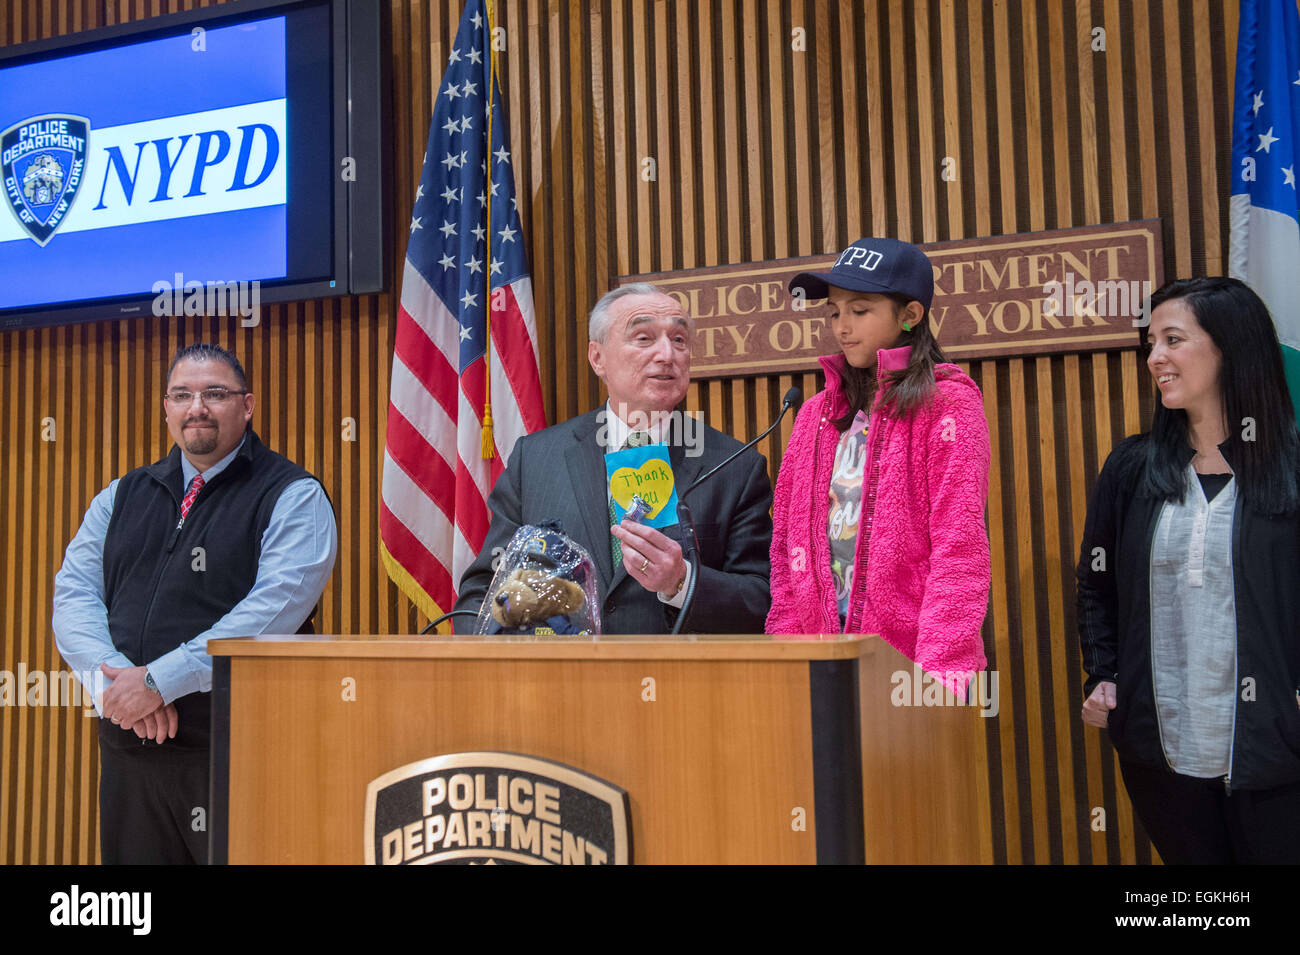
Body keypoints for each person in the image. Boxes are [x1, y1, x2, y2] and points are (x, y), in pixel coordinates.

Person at [52, 343, 337, 864]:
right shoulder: (120, 494)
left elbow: (273, 612)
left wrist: (159, 681)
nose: (196, 407)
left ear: (247, 406)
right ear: (166, 408)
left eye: (214, 394)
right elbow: (74, 593)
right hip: (130, 753)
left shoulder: (293, 494)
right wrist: (113, 683)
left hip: (237, 755)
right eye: (181, 395)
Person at [1077, 276, 1300, 864]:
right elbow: (1097, 587)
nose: (1155, 358)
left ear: (1231, 347)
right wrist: (1102, 674)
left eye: (1173, 340)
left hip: (1277, 747)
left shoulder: (1293, 465)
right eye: (1151, 342)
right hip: (1161, 745)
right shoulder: (1131, 467)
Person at [453, 283, 772, 634]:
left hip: (677, 683)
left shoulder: (735, 467)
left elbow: (762, 601)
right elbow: (483, 589)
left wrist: (681, 582)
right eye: (644, 338)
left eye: (679, 340)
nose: (667, 354)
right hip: (557, 681)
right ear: (598, 358)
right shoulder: (536, 459)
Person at [765, 237, 991, 695]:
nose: (842, 327)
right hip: (818, 662)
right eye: (834, 312)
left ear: (910, 315)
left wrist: (938, 678)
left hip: (909, 667)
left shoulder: (949, 404)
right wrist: (784, 655)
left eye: (860, 310)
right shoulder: (814, 414)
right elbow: (786, 549)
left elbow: (959, 548)